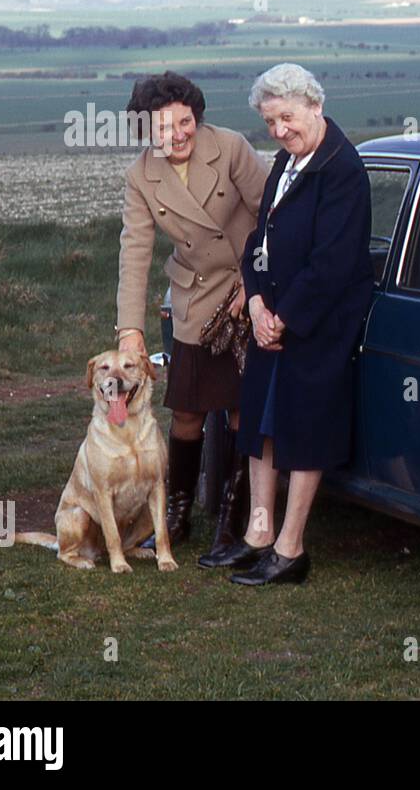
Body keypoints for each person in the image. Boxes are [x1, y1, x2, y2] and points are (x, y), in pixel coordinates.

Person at [203, 63, 373, 585]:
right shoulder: (285, 162)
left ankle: (291, 548)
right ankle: (258, 535)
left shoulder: (342, 170)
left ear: (315, 107)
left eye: (286, 118)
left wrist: (284, 318)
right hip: (269, 319)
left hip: (317, 326)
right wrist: (255, 303)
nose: (278, 131)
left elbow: (333, 264)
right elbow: (259, 242)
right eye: (270, 122)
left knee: (305, 428)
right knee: (262, 425)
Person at [115, 72, 269, 561]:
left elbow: (273, 213)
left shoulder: (232, 147)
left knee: (243, 408)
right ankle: (176, 517)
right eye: (164, 127)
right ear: (147, 130)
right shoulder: (141, 177)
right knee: (186, 412)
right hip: (194, 299)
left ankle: (233, 517)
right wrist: (131, 331)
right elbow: (134, 252)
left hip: (248, 289)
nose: (178, 134)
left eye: (185, 122)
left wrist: (257, 281)